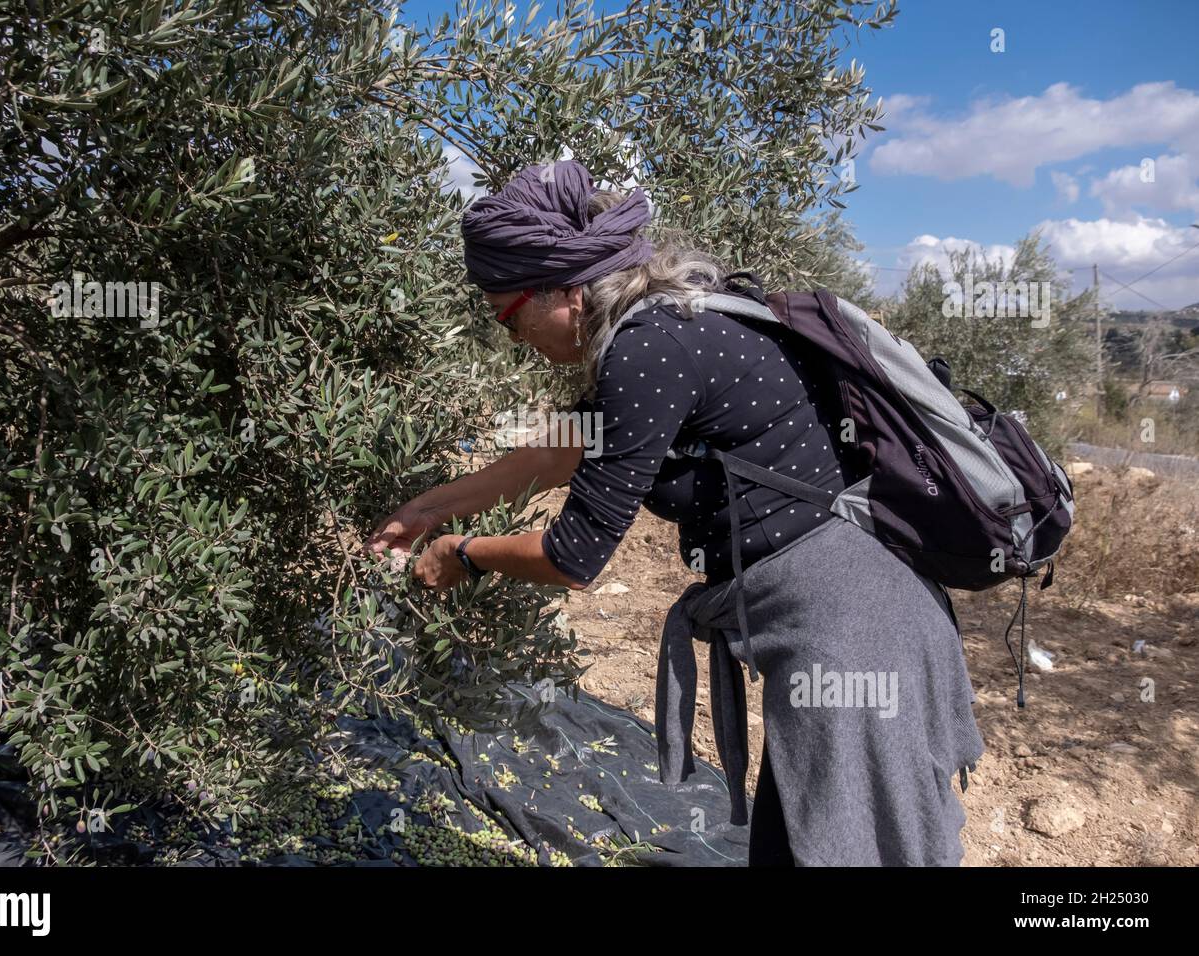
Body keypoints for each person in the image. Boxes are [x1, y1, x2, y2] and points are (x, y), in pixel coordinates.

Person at [365, 159, 984, 866]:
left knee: (845, 852)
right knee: (800, 847)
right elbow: (543, 460)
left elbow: (574, 558)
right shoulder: (666, 330)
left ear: (565, 290)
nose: (514, 338)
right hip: (850, 620)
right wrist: (422, 512)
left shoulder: (648, 350)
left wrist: (465, 554)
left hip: (855, 633)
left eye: (509, 316)